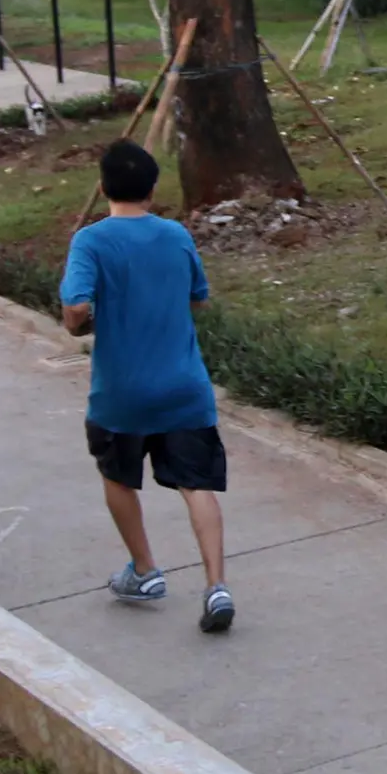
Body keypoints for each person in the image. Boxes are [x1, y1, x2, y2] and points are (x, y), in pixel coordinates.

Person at [60, 139, 234, 633]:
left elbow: (75, 305)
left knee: (117, 476)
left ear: (102, 187)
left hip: (121, 394)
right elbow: (200, 298)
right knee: (196, 484)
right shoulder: (176, 234)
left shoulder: (90, 242)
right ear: (154, 189)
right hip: (184, 387)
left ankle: (144, 570)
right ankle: (217, 586)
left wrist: (79, 326)